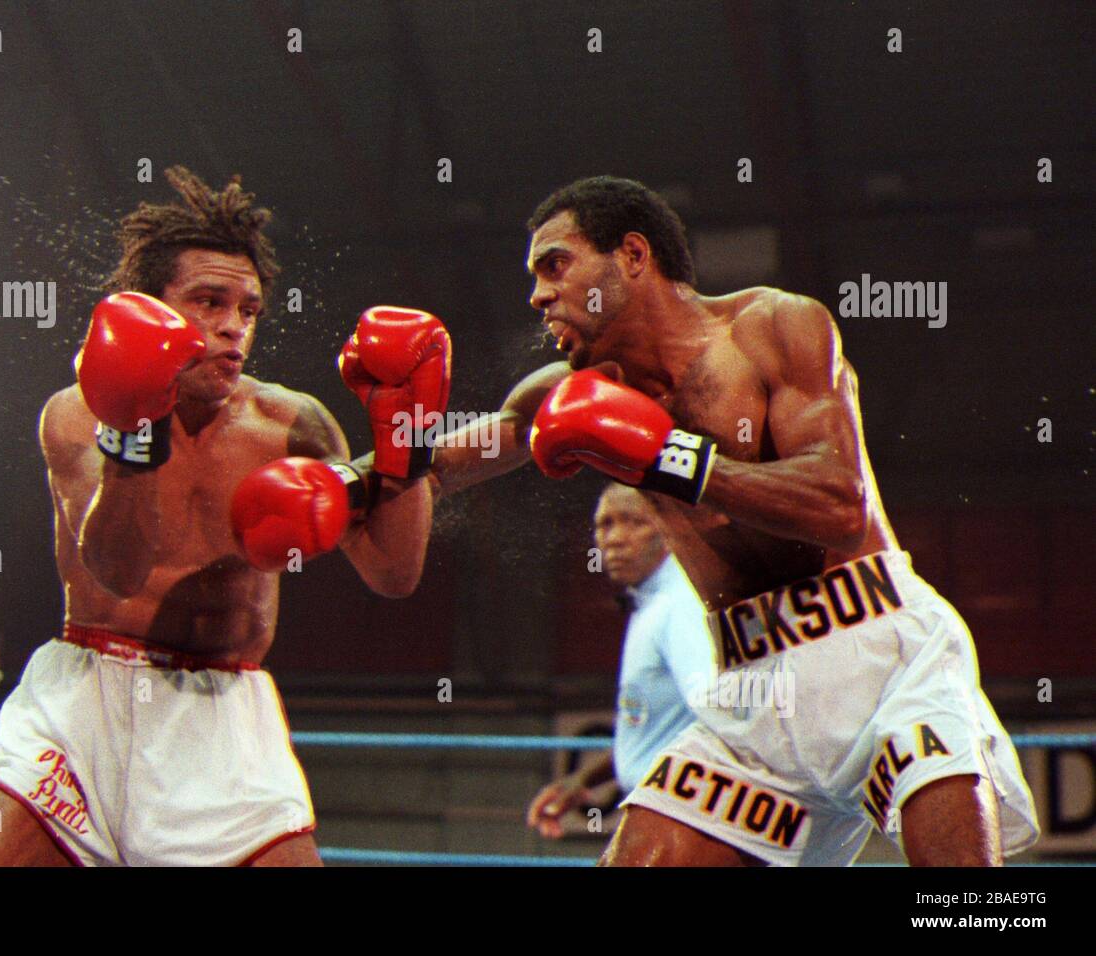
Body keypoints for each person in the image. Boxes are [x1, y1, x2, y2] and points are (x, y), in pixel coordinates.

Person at [433, 175, 1037, 866]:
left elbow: (839, 506)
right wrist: (359, 467)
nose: (537, 295)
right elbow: (439, 465)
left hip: (879, 653)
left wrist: (671, 459)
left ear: (632, 255)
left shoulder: (773, 327)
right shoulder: (569, 394)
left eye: (554, 264)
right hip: (751, 696)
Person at [0, 167, 446, 867]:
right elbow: (117, 570)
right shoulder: (76, 415)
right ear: (149, 309)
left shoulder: (291, 424)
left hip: (219, 718)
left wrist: (407, 438)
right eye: (209, 301)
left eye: (249, 309)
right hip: (85, 705)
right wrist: (134, 428)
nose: (234, 327)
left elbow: (394, 573)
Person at [526, 484, 710, 840]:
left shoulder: (681, 606)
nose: (615, 539)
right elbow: (657, 731)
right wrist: (582, 780)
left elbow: (720, 715)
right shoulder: (654, 603)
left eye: (633, 522)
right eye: (605, 525)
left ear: (669, 526)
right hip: (663, 813)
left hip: (680, 819)